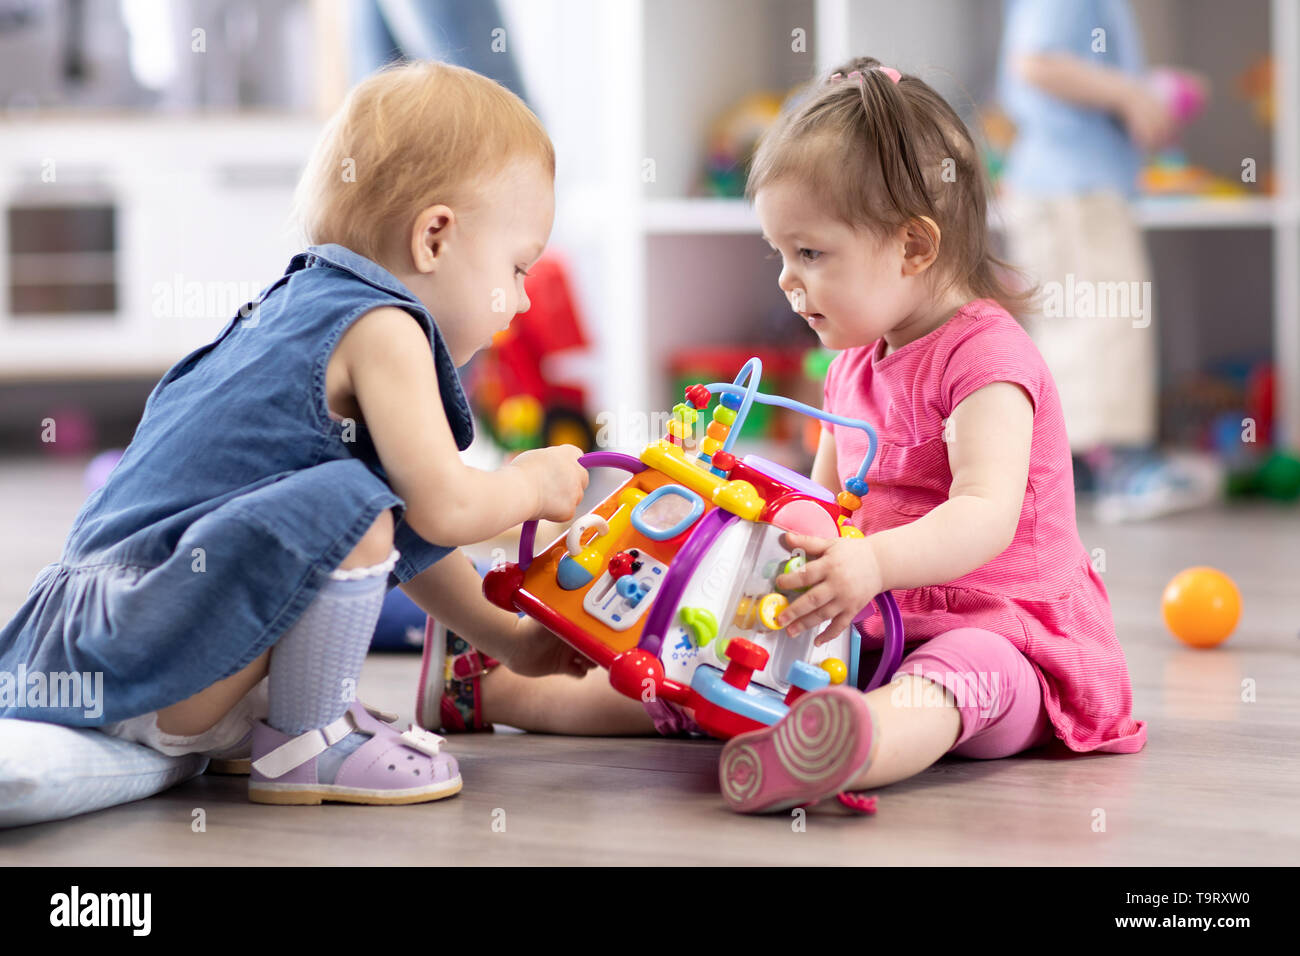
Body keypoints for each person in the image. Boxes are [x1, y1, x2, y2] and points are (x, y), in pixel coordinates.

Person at [0, 61, 595, 806]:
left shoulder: (296, 306)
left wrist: (508, 640)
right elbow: (442, 508)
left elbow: (414, 532)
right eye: (518, 265)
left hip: (101, 646)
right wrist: (529, 484)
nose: (526, 295)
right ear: (435, 237)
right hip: (154, 651)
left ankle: (278, 723)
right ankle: (308, 744)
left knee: (354, 499)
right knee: (348, 500)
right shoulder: (383, 325)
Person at [997, 0, 1221, 521]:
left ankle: (1072, 471)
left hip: (1064, 184)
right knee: (1110, 320)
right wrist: (1131, 93)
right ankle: (1122, 466)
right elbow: (1035, 63)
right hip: (1075, 187)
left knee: (1069, 327)